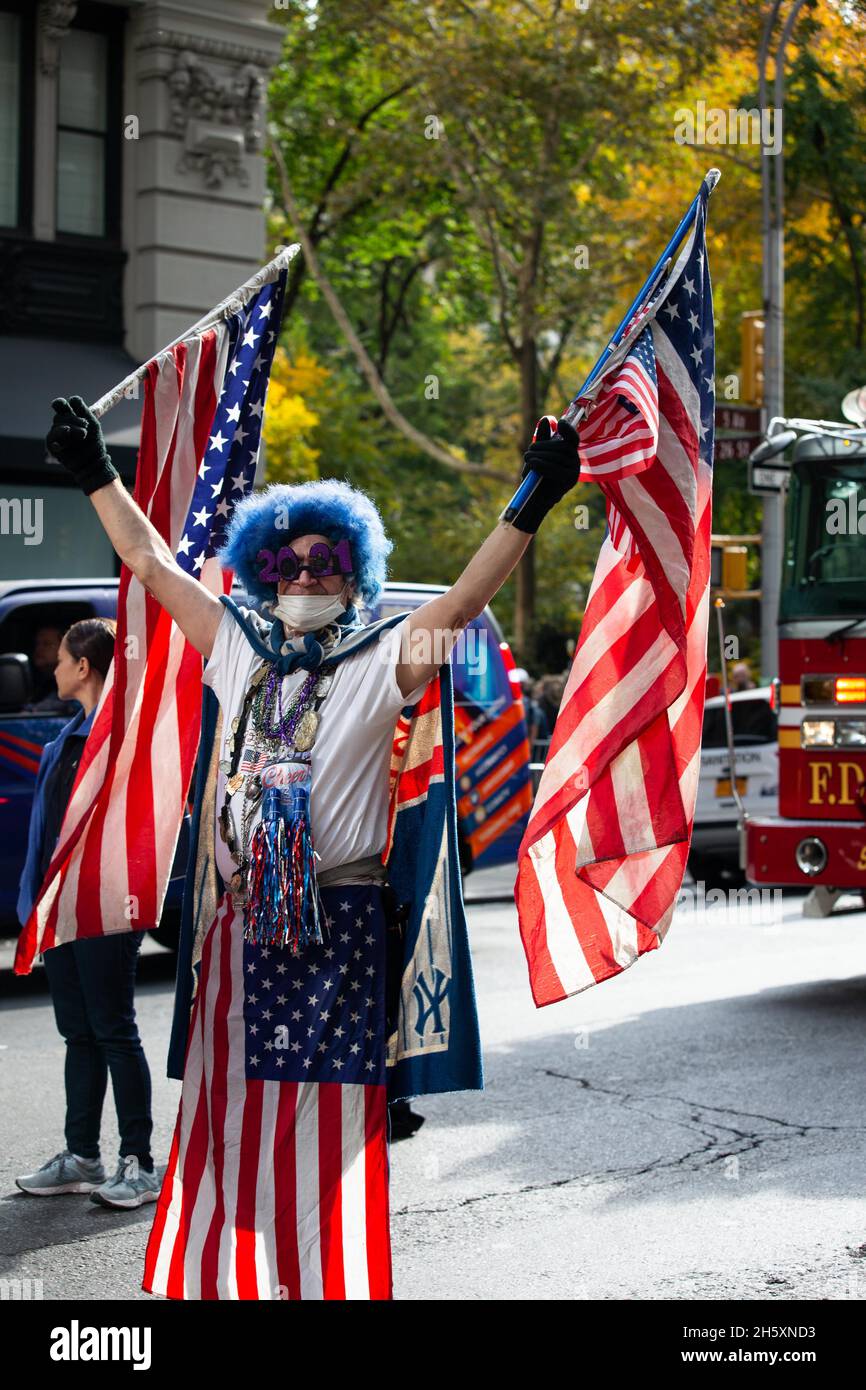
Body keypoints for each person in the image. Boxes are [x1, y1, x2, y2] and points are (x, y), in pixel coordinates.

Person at [43, 396, 580, 1300]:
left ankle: (318, 1286)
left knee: (325, 1135)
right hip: (240, 923)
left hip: (339, 923)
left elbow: (467, 598)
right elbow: (147, 561)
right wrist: (96, 471)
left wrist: (535, 495)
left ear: (353, 574)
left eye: (326, 563)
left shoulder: (387, 658)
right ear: (262, 571)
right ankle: (231, 1283)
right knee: (227, 1122)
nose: (306, 576)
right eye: (288, 563)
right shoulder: (235, 647)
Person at [15, 618, 158, 1209]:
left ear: (84, 666)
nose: (52, 666)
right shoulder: (66, 741)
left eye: (61, 657)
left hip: (107, 906)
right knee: (79, 1033)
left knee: (114, 1030)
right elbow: (44, 837)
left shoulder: (122, 740)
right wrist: (34, 907)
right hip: (62, 909)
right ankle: (82, 1158)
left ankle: (140, 1165)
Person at [24, 623, 79, 715]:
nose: (39, 649)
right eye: (37, 644)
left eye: (47, 644)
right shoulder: (39, 682)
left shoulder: (73, 684)